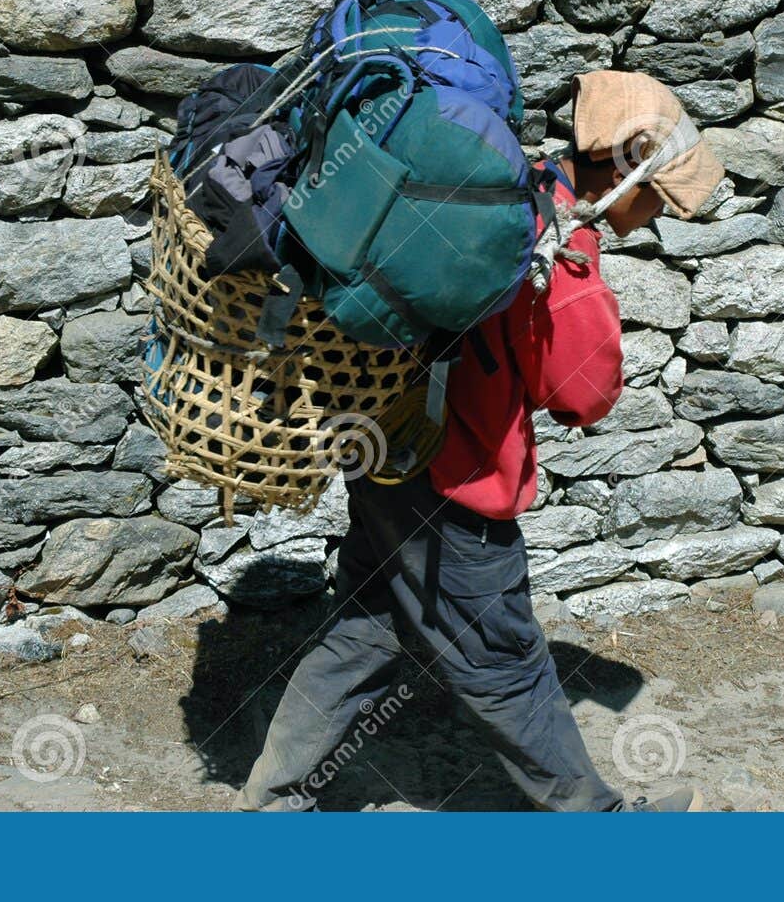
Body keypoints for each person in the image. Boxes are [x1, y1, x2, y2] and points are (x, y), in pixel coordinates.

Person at [233, 71, 726, 812]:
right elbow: (583, 393)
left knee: (370, 628)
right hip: (455, 480)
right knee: (505, 661)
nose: (657, 212)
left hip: (387, 451)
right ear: (623, 168)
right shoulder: (563, 249)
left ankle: (269, 806)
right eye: (656, 194)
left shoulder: (503, 194)